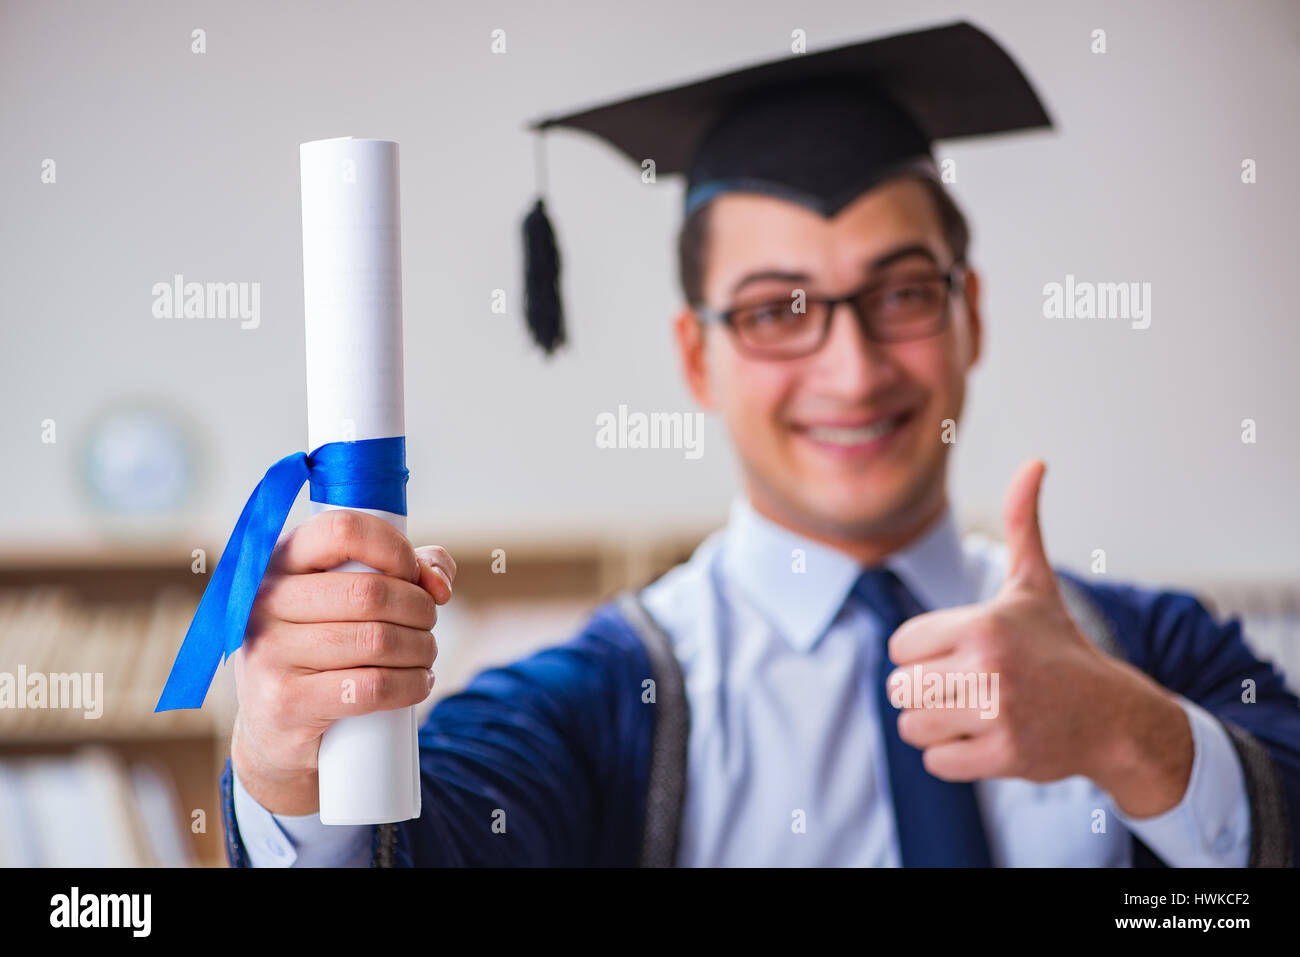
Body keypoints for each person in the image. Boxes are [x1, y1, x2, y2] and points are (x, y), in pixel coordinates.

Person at [222, 21, 1300, 867]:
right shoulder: (602, 700)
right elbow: (425, 849)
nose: (853, 368)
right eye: (777, 309)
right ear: (696, 357)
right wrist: (293, 763)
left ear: (970, 313)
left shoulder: (1144, 651)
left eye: (902, 293)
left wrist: (1133, 738)